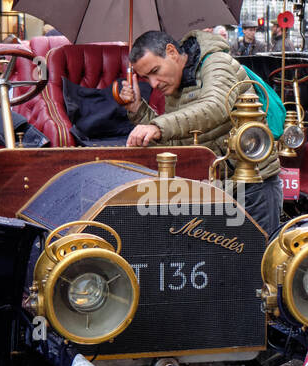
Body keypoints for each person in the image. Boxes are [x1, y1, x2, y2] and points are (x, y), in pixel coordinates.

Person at [120, 28, 283, 235]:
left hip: (252, 186)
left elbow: (215, 106)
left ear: (171, 52)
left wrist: (156, 127)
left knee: (258, 260)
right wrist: (138, 110)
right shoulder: (176, 86)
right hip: (217, 188)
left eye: (154, 71)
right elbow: (178, 146)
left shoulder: (215, 62)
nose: (153, 84)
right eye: (146, 78)